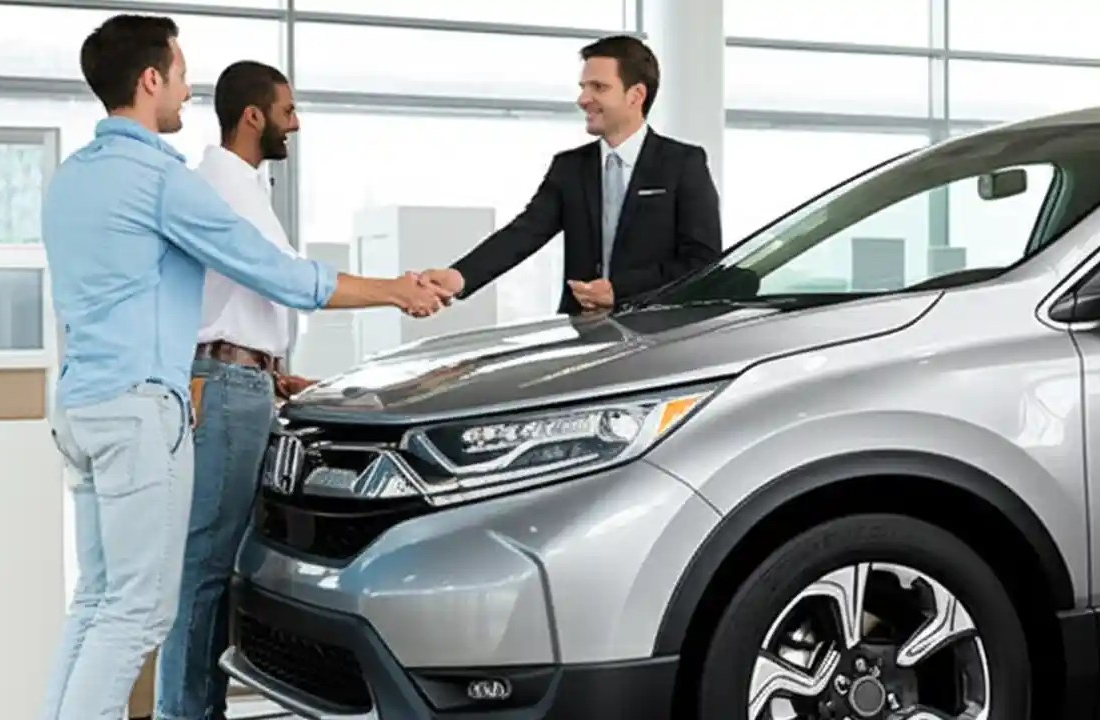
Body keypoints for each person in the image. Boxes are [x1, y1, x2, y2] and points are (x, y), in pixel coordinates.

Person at [38, 15, 449, 720]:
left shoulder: (72, 177)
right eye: (180, 73)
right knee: (138, 611)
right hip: (139, 407)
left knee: (97, 600)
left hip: (77, 406)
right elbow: (275, 273)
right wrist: (392, 289)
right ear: (149, 80)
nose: (187, 89)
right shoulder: (160, 178)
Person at [152, 59, 315, 720]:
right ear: (254, 115)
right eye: (287, 110)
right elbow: (286, 279)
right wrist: (395, 291)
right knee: (205, 570)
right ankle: (185, 713)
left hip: (246, 380)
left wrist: (270, 368)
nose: (295, 123)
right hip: (223, 387)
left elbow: (235, 295)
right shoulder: (219, 186)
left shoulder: (246, 185)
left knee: (220, 569)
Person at [418, 35, 722, 314]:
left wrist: (621, 290)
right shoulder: (569, 167)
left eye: (598, 87)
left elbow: (702, 261)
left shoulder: (683, 163)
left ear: (636, 95)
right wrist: (458, 277)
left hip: (659, 335)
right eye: (583, 87)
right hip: (581, 334)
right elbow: (524, 232)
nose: (583, 99)